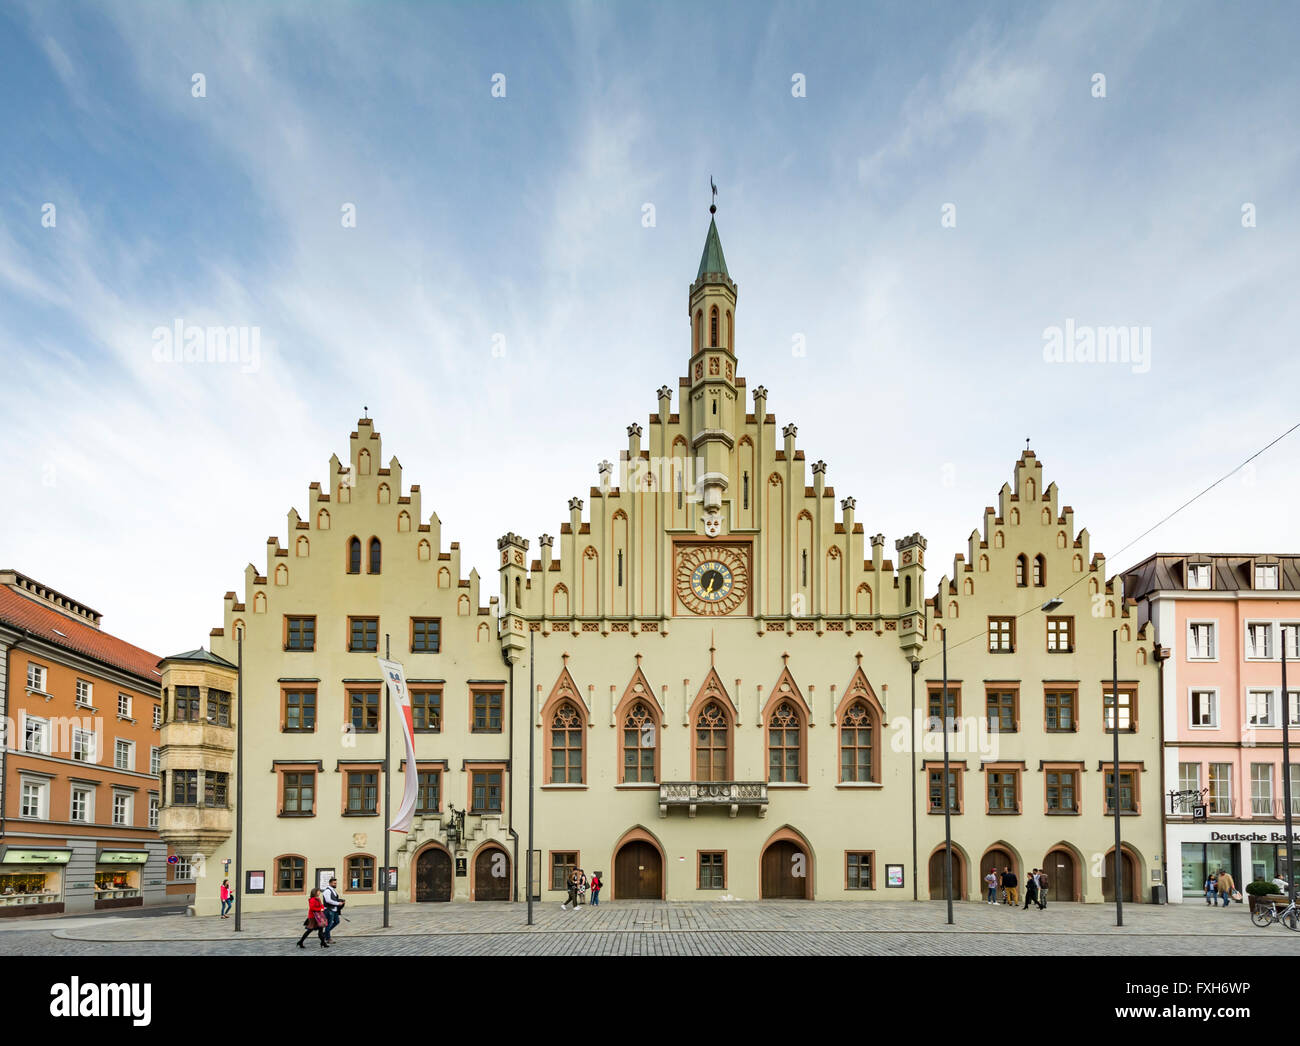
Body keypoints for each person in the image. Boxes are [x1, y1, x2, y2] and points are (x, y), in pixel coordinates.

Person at [321, 877, 343, 942]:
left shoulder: (333, 890)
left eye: (336, 883)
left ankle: (325, 934)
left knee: (337, 921)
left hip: (334, 909)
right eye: (334, 883)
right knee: (329, 924)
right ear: (330, 883)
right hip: (329, 910)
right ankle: (328, 938)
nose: (335, 884)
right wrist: (338, 903)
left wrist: (340, 901)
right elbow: (328, 900)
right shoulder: (327, 891)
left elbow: (334, 899)